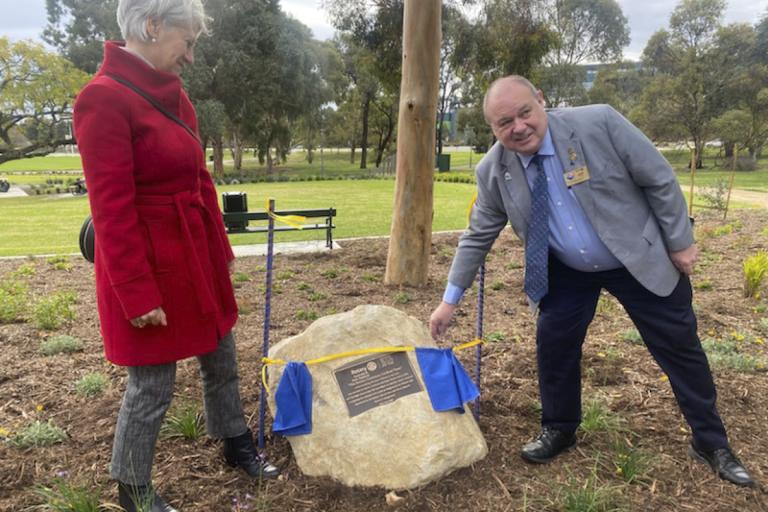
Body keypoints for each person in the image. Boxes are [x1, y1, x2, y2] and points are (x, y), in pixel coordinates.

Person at [429, 75, 754, 488]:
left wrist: (681, 241)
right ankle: (560, 428)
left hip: (634, 254)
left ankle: (711, 442)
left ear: (541, 101)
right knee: (554, 343)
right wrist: (449, 301)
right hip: (566, 268)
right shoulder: (494, 170)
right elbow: (478, 235)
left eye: (525, 112)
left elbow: (658, 177)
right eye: (504, 122)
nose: (518, 127)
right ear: (492, 128)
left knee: (679, 346)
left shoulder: (598, 123)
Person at [73, 1, 278, 510]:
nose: (190, 57)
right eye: (187, 43)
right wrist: (136, 293)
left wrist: (219, 251)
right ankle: (133, 487)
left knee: (221, 352)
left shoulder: (177, 98)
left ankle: (234, 443)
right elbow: (112, 209)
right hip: (147, 263)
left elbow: (199, 180)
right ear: (152, 25)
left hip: (194, 254)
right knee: (152, 382)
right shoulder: (102, 99)